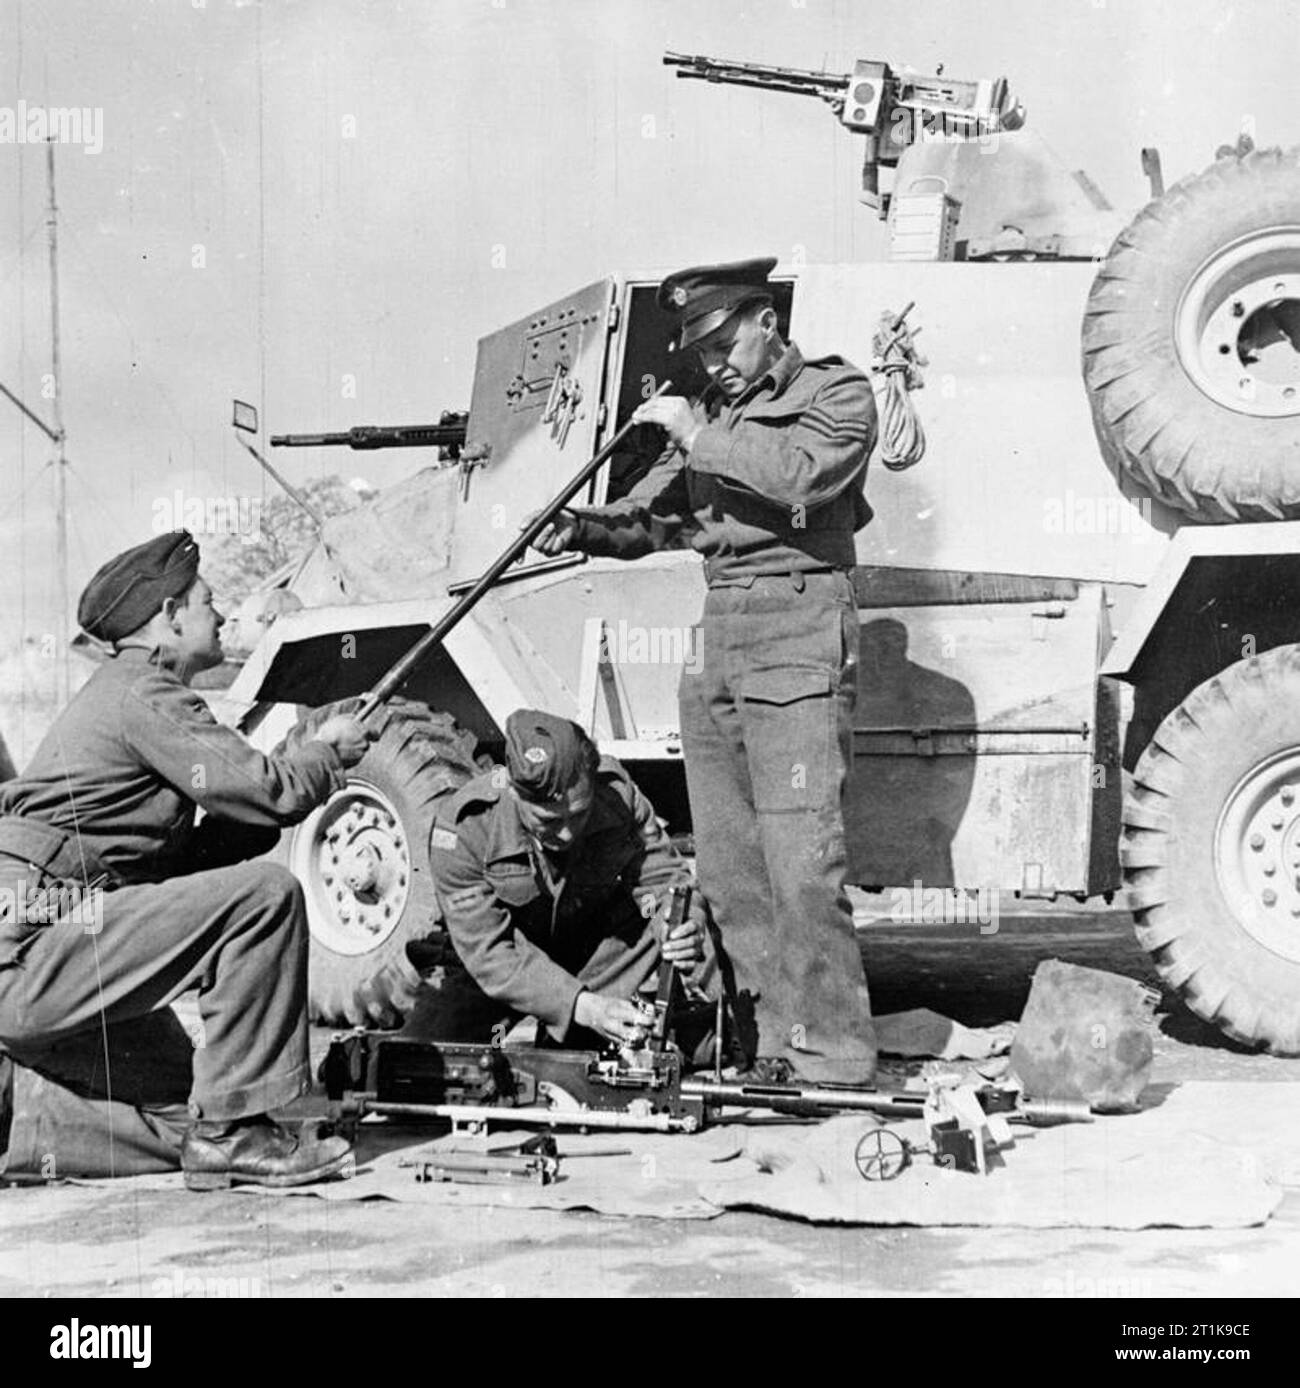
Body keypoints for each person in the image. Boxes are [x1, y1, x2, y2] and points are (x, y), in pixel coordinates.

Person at [531, 256, 878, 1083]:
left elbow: (805, 478)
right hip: (718, 625)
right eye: (700, 349)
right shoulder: (714, 420)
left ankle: (833, 1051)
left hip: (798, 617)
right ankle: (763, 1047)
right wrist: (578, 528)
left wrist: (698, 434)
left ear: (768, 321)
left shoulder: (835, 394)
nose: (714, 360)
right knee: (731, 865)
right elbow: (652, 518)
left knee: (802, 860)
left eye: (726, 340)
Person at [0, 530, 369, 1189]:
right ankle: (240, 1133)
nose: (220, 613)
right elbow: (265, 791)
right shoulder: (142, 690)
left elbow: (188, 866)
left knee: (186, 1120)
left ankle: (12, 1118)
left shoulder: (130, 694)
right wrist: (324, 756)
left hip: (56, 943)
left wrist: (296, 761)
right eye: (205, 601)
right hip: (30, 945)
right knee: (267, 895)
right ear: (168, 618)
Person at [404, 709, 716, 1056]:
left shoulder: (616, 796)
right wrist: (581, 1006)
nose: (567, 832)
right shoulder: (465, 827)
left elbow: (663, 880)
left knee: (606, 1063)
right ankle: (576, 1024)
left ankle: (587, 1039)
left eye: (579, 814)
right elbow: (489, 951)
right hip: (497, 965)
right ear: (512, 790)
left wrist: (681, 924)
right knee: (419, 1062)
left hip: (591, 957)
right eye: (549, 821)